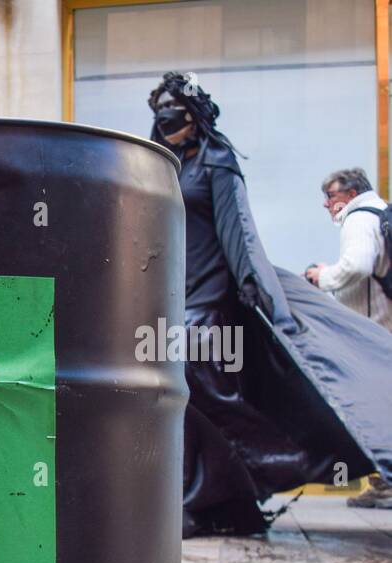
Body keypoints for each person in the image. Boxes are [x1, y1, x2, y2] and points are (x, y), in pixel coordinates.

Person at [148, 72, 392, 534]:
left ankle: (241, 488)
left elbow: (237, 230)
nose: (164, 121)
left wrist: (257, 290)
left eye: (173, 113)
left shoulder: (217, 162)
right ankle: (222, 502)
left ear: (195, 114)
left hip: (211, 302)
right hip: (175, 300)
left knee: (206, 391)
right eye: (159, 114)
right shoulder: (165, 165)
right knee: (187, 398)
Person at [305, 169, 391, 334]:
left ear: (352, 195)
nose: (325, 203)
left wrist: (322, 277)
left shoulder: (358, 219)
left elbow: (357, 266)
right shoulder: (382, 211)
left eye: (330, 196)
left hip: (372, 336)